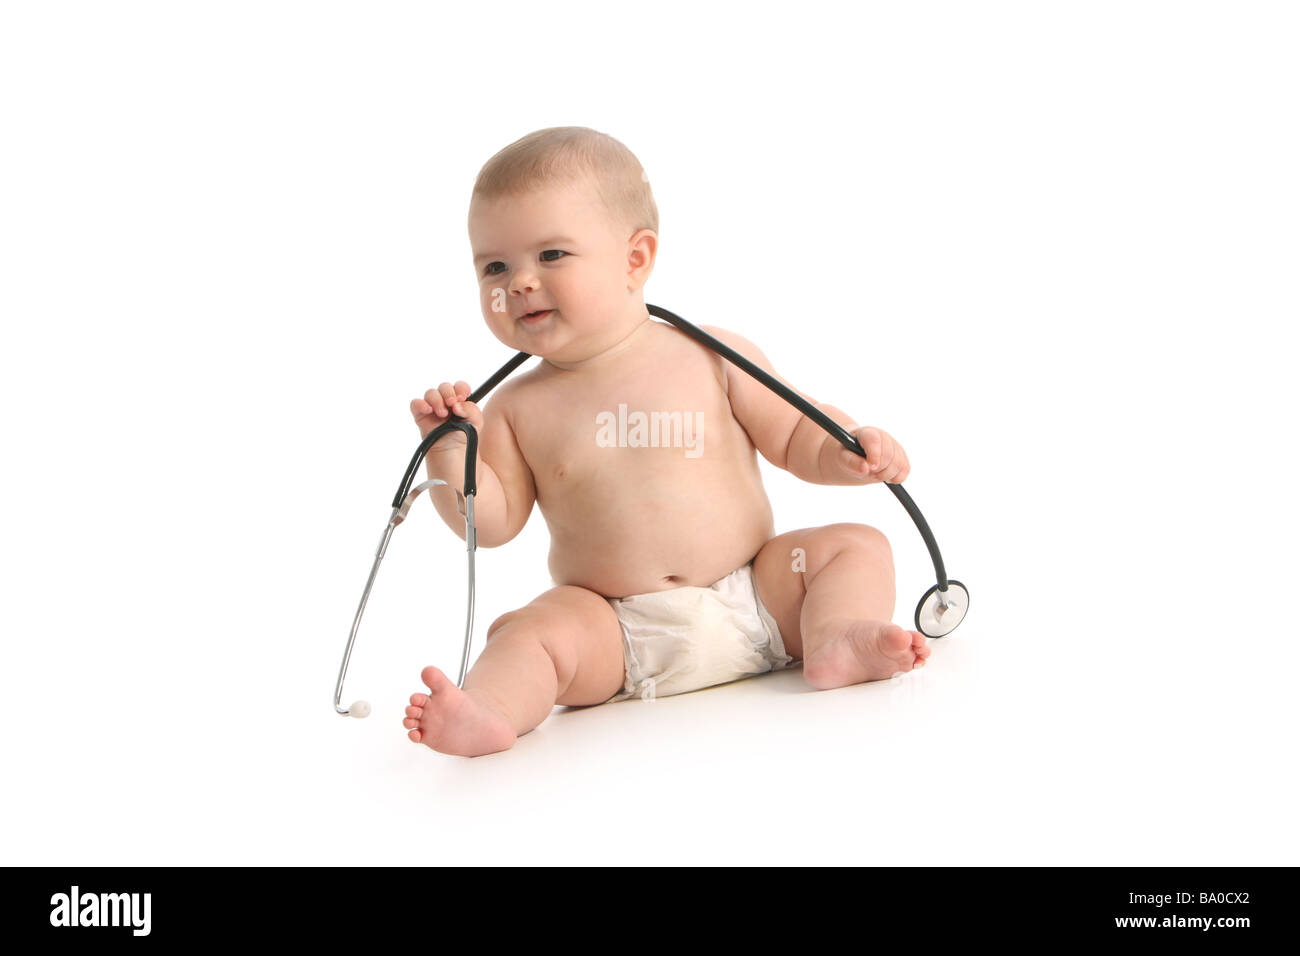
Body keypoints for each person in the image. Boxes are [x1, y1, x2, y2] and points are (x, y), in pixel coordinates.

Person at [403, 127, 929, 757]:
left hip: (758, 595)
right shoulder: (514, 409)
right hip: (614, 628)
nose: (518, 282)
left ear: (635, 258)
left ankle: (836, 635)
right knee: (529, 631)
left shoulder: (710, 354)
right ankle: (491, 711)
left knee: (855, 546)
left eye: (551, 256)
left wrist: (848, 451)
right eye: (495, 266)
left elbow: (794, 432)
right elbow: (489, 524)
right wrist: (450, 453)